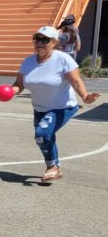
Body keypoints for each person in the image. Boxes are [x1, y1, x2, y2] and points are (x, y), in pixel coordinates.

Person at [10, 26, 99, 182]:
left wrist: (85, 96)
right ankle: (53, 167)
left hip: (62, 107)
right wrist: (10, 91)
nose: (39, 43)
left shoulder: (63, 59)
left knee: (42, 134)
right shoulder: (28, 62)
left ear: (55, 42)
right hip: (40, 108)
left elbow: (76, 80)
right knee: (45, 136)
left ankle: (52, 167)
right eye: (36, 39)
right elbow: (19, 84)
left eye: (45, 40)